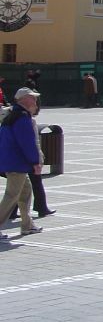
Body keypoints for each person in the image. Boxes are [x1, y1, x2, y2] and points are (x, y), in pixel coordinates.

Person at [0, 88, 45, 239]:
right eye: (33, 99)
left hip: (11, 160)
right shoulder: (22, 117)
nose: (35, 102)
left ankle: (27, 225)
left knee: (25, 191)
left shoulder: (12, 115)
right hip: (16, 163)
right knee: (12, 195)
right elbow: (27, 143)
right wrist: (35, 162)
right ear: (25, 100)